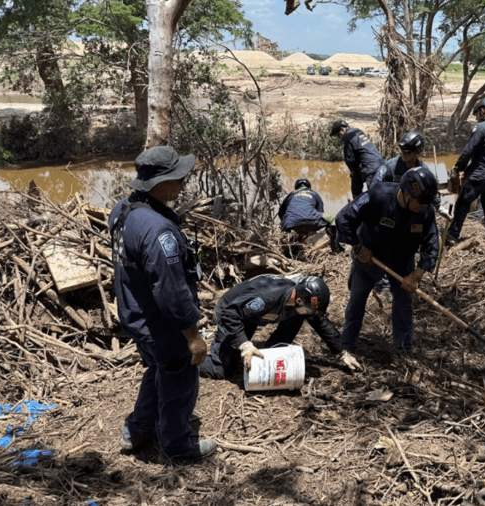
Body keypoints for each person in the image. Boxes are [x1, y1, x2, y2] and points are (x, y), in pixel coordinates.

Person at [109, 146, 215, 462]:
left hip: (135, 315)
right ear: (161, 183)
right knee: (179, 380)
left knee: (158, 369)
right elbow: (171, 292)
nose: (183, 184)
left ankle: (136, 431)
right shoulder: (159, 231)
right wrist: (192, 337)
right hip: (161, 324)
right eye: (179, 178)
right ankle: (177, 448)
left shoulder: (123, 209)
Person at [334, 167, 440, 355]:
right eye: (420, 202)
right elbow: (343, 218)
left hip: (402, 263)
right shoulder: (378, 195)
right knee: (357, 300)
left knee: (403, 305)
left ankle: (404, 350)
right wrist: (358, 247)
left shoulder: (425, 211)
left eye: (426, 203)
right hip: (369, 259)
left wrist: (417, 274)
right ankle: (346, 346)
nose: (423, 206)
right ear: (406, 194)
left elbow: (432, 246)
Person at [200, 274, 361, 379]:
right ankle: (187, 359)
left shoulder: (298, 299)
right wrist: (244, 344)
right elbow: (230, 314)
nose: (310, 315)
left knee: (299, 315)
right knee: (221, 369)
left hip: (250, 315)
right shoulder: (266, 297)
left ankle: (271, 353)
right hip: (231, 314)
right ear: (299, 299)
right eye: (309, 310)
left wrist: (342, 352)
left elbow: (320, 322)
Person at [446, 97, 485, 246]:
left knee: (463, 203)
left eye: (476, 113)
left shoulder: (481, 128)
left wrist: (457, 168)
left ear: (482, 110)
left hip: (478, 175)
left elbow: (468, 151)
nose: (476, 117)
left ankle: (452, 236)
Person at [371, 130, 443, 209]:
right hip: (390, 207)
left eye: (408, 152)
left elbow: (432, 194)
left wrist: (439, 208)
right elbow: (373, 190)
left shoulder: (424, 171)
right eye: (402, 151)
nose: (404, 154)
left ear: (419, 152)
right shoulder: (389, 167)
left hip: (413, 209)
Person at [277, 178, 343, 254]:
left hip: (290, 224)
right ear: (309, 186)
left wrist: (286, 225)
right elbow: (320, 211)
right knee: (332, 219)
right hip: (311, 220)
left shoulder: (291, 195)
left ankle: (289, 248)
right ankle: (336, 248)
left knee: (287, 223)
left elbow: (281, 213)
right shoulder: (314, 194)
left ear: (296, 187)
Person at [330, 119, 383, 198]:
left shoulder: (347, 137)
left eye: (338, 135)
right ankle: (358, 199)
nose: (339, 137)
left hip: (370, 167)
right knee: (377, 190)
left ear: (342, 130)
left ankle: (357, 200)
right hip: (380, 161)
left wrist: (352, 170)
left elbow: (349, 158)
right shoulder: (357, 131)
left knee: (374, 195)